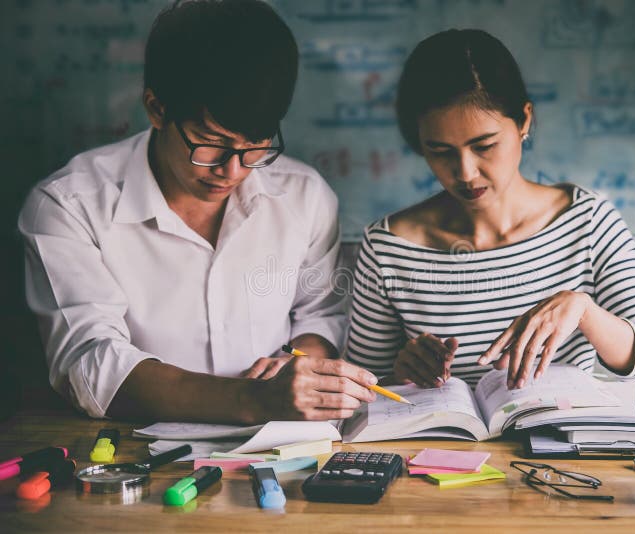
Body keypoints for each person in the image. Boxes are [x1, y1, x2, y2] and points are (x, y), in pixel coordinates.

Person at [18, 0, 377, 423]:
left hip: (280, 444)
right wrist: (254, 400)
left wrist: (296, 369)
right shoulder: (69, 206)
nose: (232, 171)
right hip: (133, 446)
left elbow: (321, 315)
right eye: (211, 143)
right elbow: (91, 362)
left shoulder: (305, 195)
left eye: (256, 145)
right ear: (157, 109)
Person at [346, 29, 635, 392]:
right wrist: (400, 375)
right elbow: (356, 395)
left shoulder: (587, 223)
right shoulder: (387, 247)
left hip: (562, 431)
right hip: (442, 432)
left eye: (484, 146)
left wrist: (586, 313)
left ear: (524, 121)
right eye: (440, 151)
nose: (465, 172)